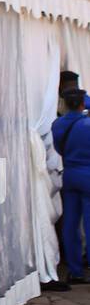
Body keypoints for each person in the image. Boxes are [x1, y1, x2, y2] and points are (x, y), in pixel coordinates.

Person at [52, 88, 90, 286]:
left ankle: (75, 271)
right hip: (88, 174)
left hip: (70, 174)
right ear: (83, 103)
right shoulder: (87, 124)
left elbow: (59, 148)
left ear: (65, 104)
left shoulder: (58, 125)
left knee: (70, 224)